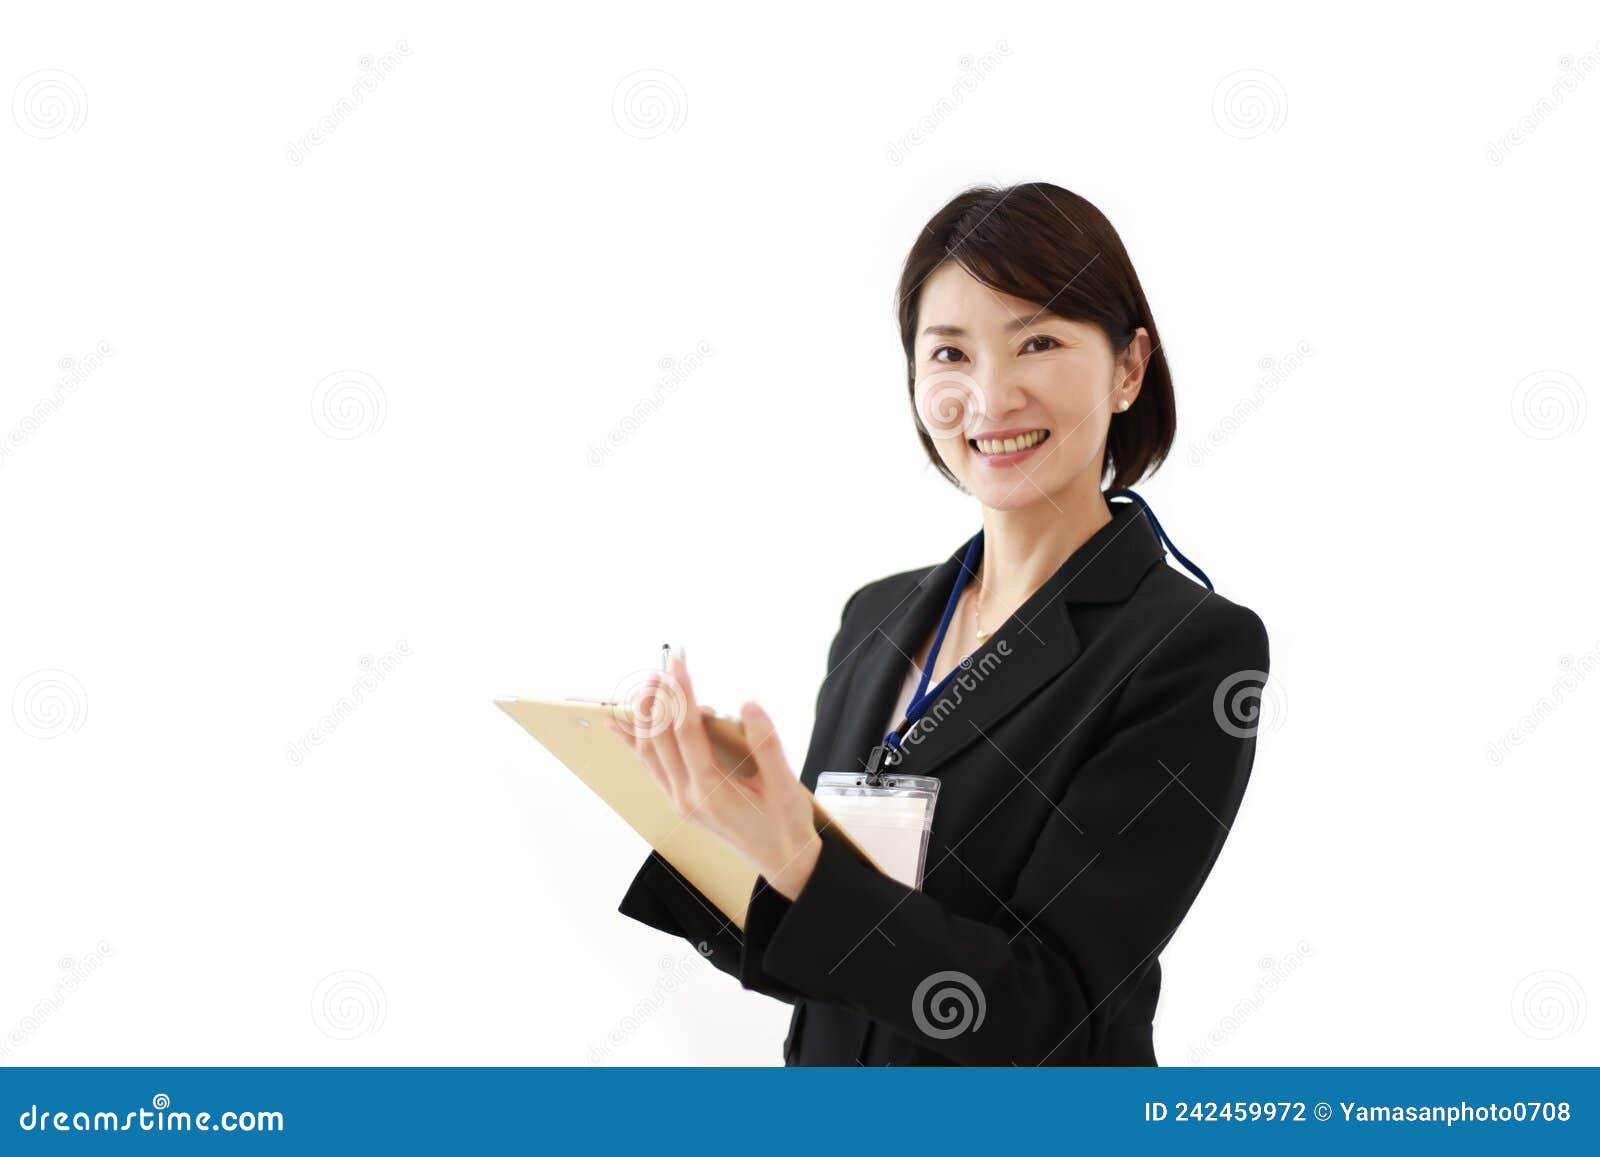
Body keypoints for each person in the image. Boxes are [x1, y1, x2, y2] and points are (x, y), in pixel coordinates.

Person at [609, 181, 1271, 1066]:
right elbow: (824, 949)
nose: (990, 399)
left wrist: (798, 859)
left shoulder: (1190, 652)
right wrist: (713, 818)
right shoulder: (876, 617)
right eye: (950, 354)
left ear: (1129, 369)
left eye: (1037, 341)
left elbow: (1052, 1012)